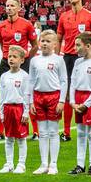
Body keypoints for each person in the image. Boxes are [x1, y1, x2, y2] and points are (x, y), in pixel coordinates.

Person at [58, 0, 91, 141]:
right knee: (67, 93)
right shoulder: (64, 16)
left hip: (86, 59)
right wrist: (56, 59)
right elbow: (59, 38)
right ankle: (66, 132)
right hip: (68, 58)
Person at [0, 0, 39, 140]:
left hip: (23, 62)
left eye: (12, 6)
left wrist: (26, 58)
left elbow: (35, 45)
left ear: (19, 8)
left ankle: (36, 131)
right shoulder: (1, 26)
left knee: (27, 95)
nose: (9, 8)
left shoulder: (26, 24)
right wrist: (7, 56)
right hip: (5, 62)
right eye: (7, 5)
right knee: (4, 94)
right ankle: (1, 131)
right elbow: (2, 44)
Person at [28, 30, 68, 174]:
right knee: (42, 132)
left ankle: (53, 164)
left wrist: (61, 100)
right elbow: (31, 81)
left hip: (53, 97)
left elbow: (64, 81)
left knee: (53, 131)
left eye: (48, 41)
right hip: (38, 97)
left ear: (55, 44)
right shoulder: (34, 60)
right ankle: (44, 164)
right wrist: (30, 101)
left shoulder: (58, 60)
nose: (45, 44)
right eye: (43, 41)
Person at [68, 32, 91, 176]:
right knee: (81, 132)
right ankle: (80, 164)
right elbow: (73, 82)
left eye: (78, 45)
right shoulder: (78, 62)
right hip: (78, 98)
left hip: (90, 100)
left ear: (88, 46)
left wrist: (86, 104)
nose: (75, 48)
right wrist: (72, 102)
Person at [0, 46, 32, 174]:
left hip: (19, 109)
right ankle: (9, 164)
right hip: (7, 109)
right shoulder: (4, 76)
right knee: (8, 138)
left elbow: (27, 95)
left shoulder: (25, 76)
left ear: (22, 60)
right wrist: (1, 112)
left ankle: (21, 164)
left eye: (14, 57)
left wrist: (26, 112)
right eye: (9, 56)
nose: (11, 59)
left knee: (21, 139)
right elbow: (2, 95)